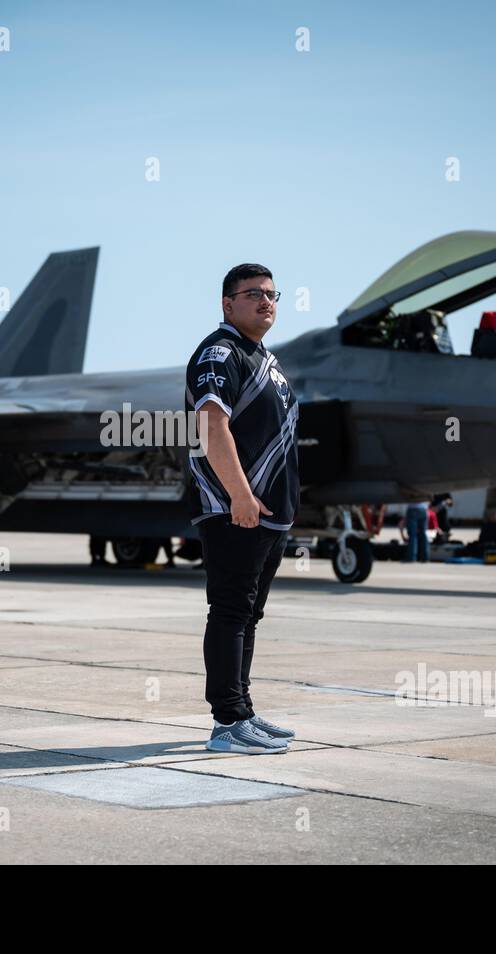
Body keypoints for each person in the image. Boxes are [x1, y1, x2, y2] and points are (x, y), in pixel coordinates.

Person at [185, 263, 300, 755]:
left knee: (247, 615)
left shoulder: (264, 358)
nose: (266, 301)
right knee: (230, 611)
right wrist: (239, 495)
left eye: (273, 294)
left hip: (264, 512)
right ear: (227, 304)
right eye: (253, 294)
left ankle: (243, 711)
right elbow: (212, 425)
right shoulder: (221, 352)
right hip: (234, 508)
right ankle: (227, 722)